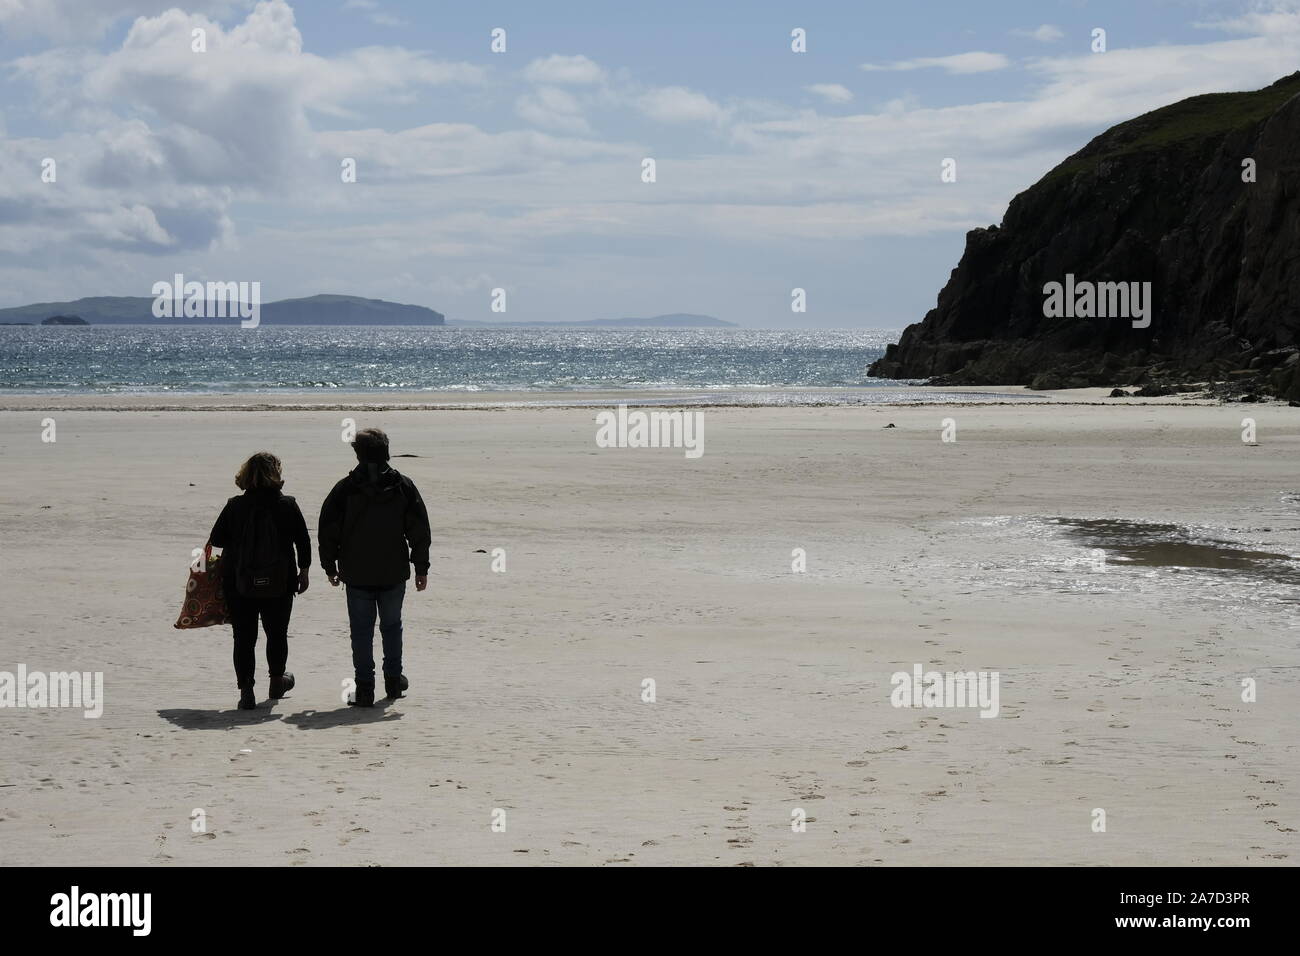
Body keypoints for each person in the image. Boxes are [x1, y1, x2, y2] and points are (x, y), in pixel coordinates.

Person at [318, 428, 430, 707]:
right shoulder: (403, 485)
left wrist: (328, 565)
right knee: (392, 627)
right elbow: (419, 530)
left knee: (362, 631)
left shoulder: (345, 488)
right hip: (392, 570)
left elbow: (328, 529)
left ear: (358, 453)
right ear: (386, 451)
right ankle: (393, 681)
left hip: (357, 571)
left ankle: (365, 688)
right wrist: (421, 567)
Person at [209, 452, 311, 710]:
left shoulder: (234, 506)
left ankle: (246, 692)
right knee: (276, 632)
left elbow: (218, 539)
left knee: (243, 637)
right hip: (280, 580)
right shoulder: (287, 505)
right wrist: (304, 571)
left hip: (239, 580)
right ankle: (277, 681)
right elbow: (303, 541)